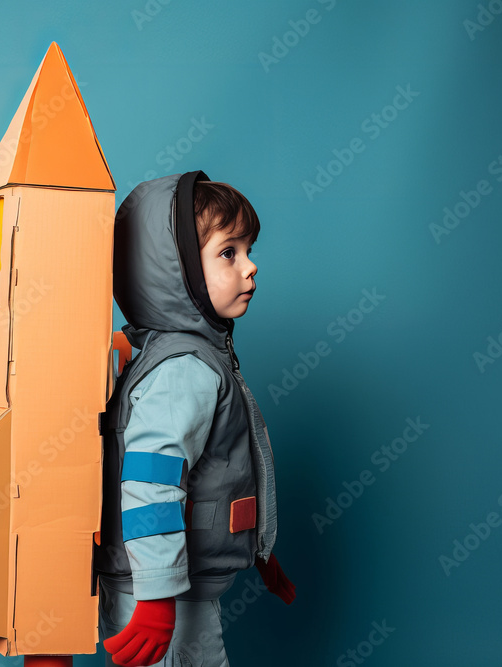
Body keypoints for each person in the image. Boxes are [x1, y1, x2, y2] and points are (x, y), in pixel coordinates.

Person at [95, 171, 295, 667]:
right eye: (229, 252)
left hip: (171, 585)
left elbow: (222, 471)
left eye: (248, 250)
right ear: (177, 271)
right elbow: (151, 484)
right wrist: (157, 596)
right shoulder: (183, 369)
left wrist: (257, 550)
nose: (250, 266)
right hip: (162, 594)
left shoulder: (186, 355)